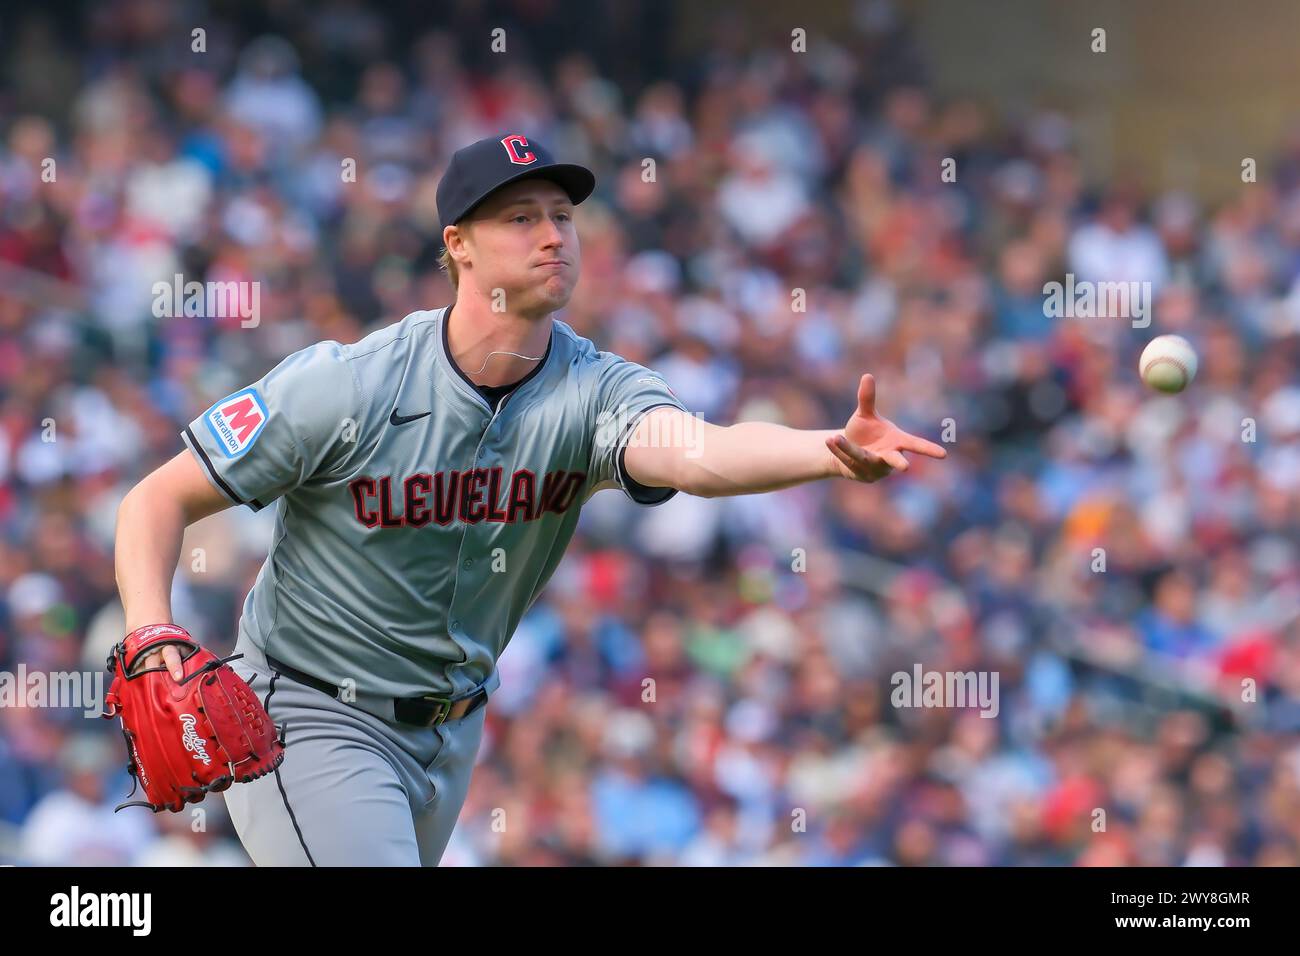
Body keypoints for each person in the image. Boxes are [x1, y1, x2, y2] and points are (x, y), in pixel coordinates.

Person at [112, 133, 947, 866]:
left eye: (563, 216)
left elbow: (700, 452)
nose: (553, 236)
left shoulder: (595, 388)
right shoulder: (348, 386)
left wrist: (827, 453)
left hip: (452, 730)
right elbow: (153, 501)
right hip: (312, 712)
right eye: (520, 218)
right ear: (459, 246)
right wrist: (152, 633)